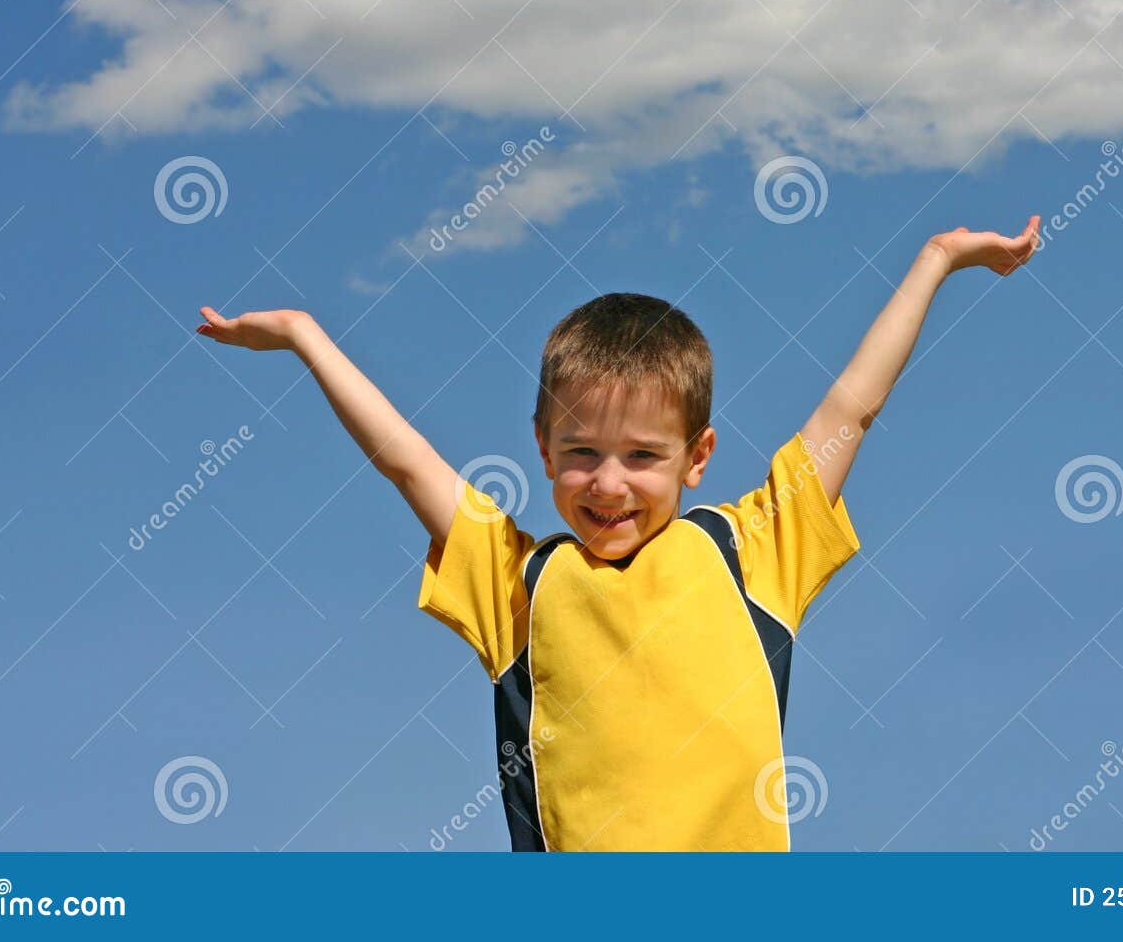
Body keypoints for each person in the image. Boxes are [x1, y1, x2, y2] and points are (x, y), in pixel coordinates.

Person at [197, 214, 1041, 850]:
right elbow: (407, 461)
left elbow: (851, 410)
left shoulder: (751, 550)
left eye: (642, 454)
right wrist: (307, 339)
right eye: (580, 452)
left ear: (696, 456)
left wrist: (938, 262)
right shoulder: (517, 582)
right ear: (541, 447)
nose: (608, 482)